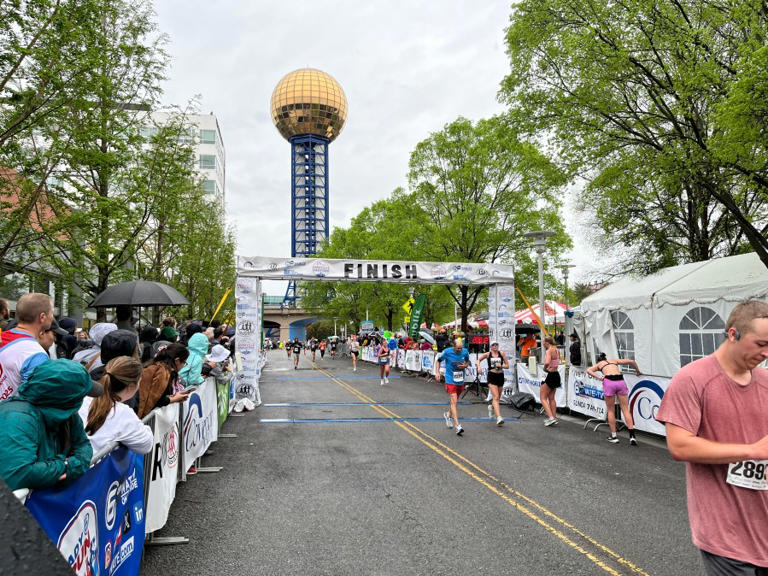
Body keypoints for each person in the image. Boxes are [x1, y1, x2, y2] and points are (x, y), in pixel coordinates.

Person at [656, 300, 768, 574]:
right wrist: (751, 451)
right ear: (733, 334)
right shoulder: (692, 379)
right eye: (761, 344)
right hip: (726, 537)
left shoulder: (765, 382)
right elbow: (679, 446)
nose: (766, 353)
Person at [0, 359, 101, 490]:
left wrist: (70, 466)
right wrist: (65, 466)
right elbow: (17, 475)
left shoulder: (67, 414)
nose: (81, 401)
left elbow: (83, 445)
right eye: (79, 397)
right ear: (65, 399)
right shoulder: (16, 419)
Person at [79, 356, 153, 454]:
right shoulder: (123, 413)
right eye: (139, 381)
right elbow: (146, 445)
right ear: (131, 387)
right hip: (92, 468)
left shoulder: (82, 399)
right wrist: (143, 427)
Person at [0, 293, 63, 401]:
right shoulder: (35, 354)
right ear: (42, 317)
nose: (52, 317)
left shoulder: (2, 336)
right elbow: (33, 401)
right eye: (51, 313)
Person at [587, 352, 640, 444]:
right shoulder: (613, 360)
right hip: (620, 381)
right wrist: (637, 371)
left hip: (609, 382)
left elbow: (589, 370)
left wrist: (600, 377)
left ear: (599, 360)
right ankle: (632, 436)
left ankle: (614, 436)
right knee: (625, 409)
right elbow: (631, 361)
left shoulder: (599, 364)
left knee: (611, 410)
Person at [137, 343, 192, 418]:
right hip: (141, 413)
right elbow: (156, 399)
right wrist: (174, 398)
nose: (183, 366)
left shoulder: (156, 365)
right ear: (177, 361)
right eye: (184, 362)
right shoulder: (163, 372)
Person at [435, 337, 470, 436]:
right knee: (454, 401)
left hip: (460, 380)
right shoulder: (447, 352)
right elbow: (438, 361)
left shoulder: (465, 352)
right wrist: (437, 373)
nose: (460, 350)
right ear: (453, 346)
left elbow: (467, 362)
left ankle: (447, 415)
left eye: (461, 348)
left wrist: (465, 366)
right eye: (458, 348)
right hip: (450, 379)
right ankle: (458, 426)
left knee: (454, 402)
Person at [477, 342, 510, 426]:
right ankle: (499, 417)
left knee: (498, 397)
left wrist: (501, 366)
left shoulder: (501, 353)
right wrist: (479, 367)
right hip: (492, 376)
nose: (495, 346)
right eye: (493, 345)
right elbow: (478, 360)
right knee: (495, 397)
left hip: (500, 376)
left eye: (496, 345)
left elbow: (507, 365)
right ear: (490, 347)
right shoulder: (488, 354)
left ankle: (491, 407)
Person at [540, 337, 562, 426]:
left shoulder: (549, 350)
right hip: (556, 374)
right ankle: (554, 417)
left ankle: (551, 418)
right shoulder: (556, 350)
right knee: (551, 398)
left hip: (551, 374)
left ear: (546, 342)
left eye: (543, 342)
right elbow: (556, 361)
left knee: (543, 398)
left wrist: (545, 368)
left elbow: (547, 362)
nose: (542, 344)